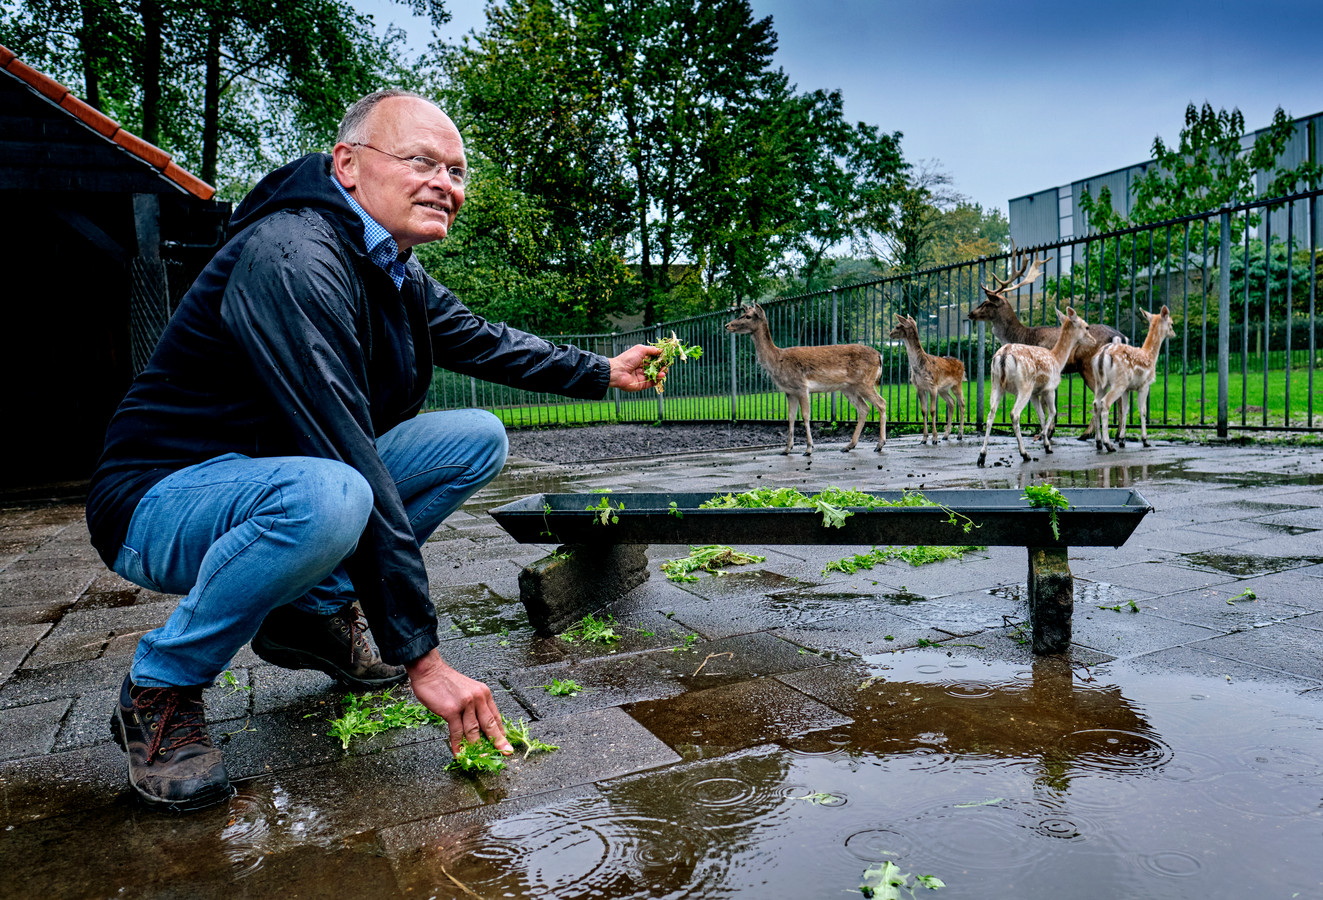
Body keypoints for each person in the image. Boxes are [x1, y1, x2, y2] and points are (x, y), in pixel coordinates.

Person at [86, 89, 660, 811]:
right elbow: (345, 450)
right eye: (421, 161)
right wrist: (423, 655)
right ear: (348, 164)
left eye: (455, 172)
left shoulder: (388, 264)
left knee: (474, 437)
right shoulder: (291, 253)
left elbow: (479, 338)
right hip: (163, 499)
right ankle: (161, 688)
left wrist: (601, 371)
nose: (444, 184)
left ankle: (313, 615)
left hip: (284, 476)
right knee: (336, 495)